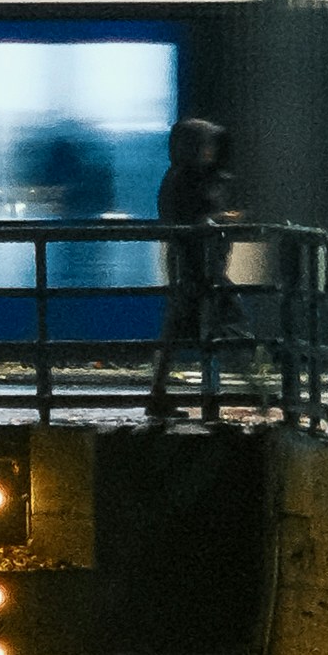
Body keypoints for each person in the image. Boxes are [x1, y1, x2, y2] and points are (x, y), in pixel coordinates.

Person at [144, 105, 232, 424]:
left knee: (180, 331)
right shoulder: (185, 180)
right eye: (205, 144)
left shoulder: (180, 177)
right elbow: (193, 221)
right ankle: (201, 399)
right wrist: (218, 219)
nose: (211, 150)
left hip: (191, 264)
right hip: (192, 265)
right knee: (192, 328)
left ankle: (162, 396)